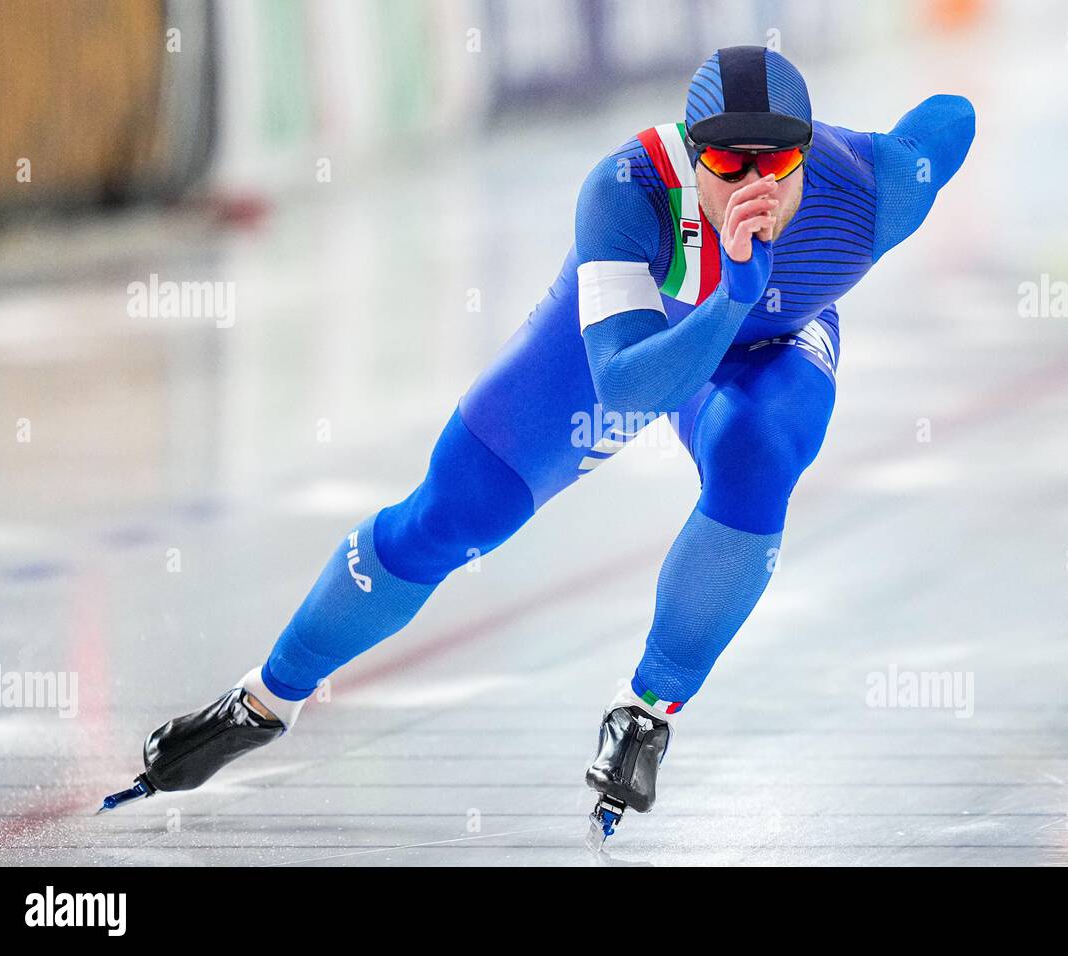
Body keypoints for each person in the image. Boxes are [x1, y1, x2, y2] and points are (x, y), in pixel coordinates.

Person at [100, 45, 975, 847]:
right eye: (726, 161)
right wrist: (733, 294)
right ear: (688, 151)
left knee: (762, 446)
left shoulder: (869, 190)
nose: (754, 181)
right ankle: (264, 700)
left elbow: (953, 118)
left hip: (769, 353)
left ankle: (646, 711)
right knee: (449, 516)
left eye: (776, 159)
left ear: (809, 147)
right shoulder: (627, 191)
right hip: (641, 343)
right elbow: (629, 385)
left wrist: (781, 260)